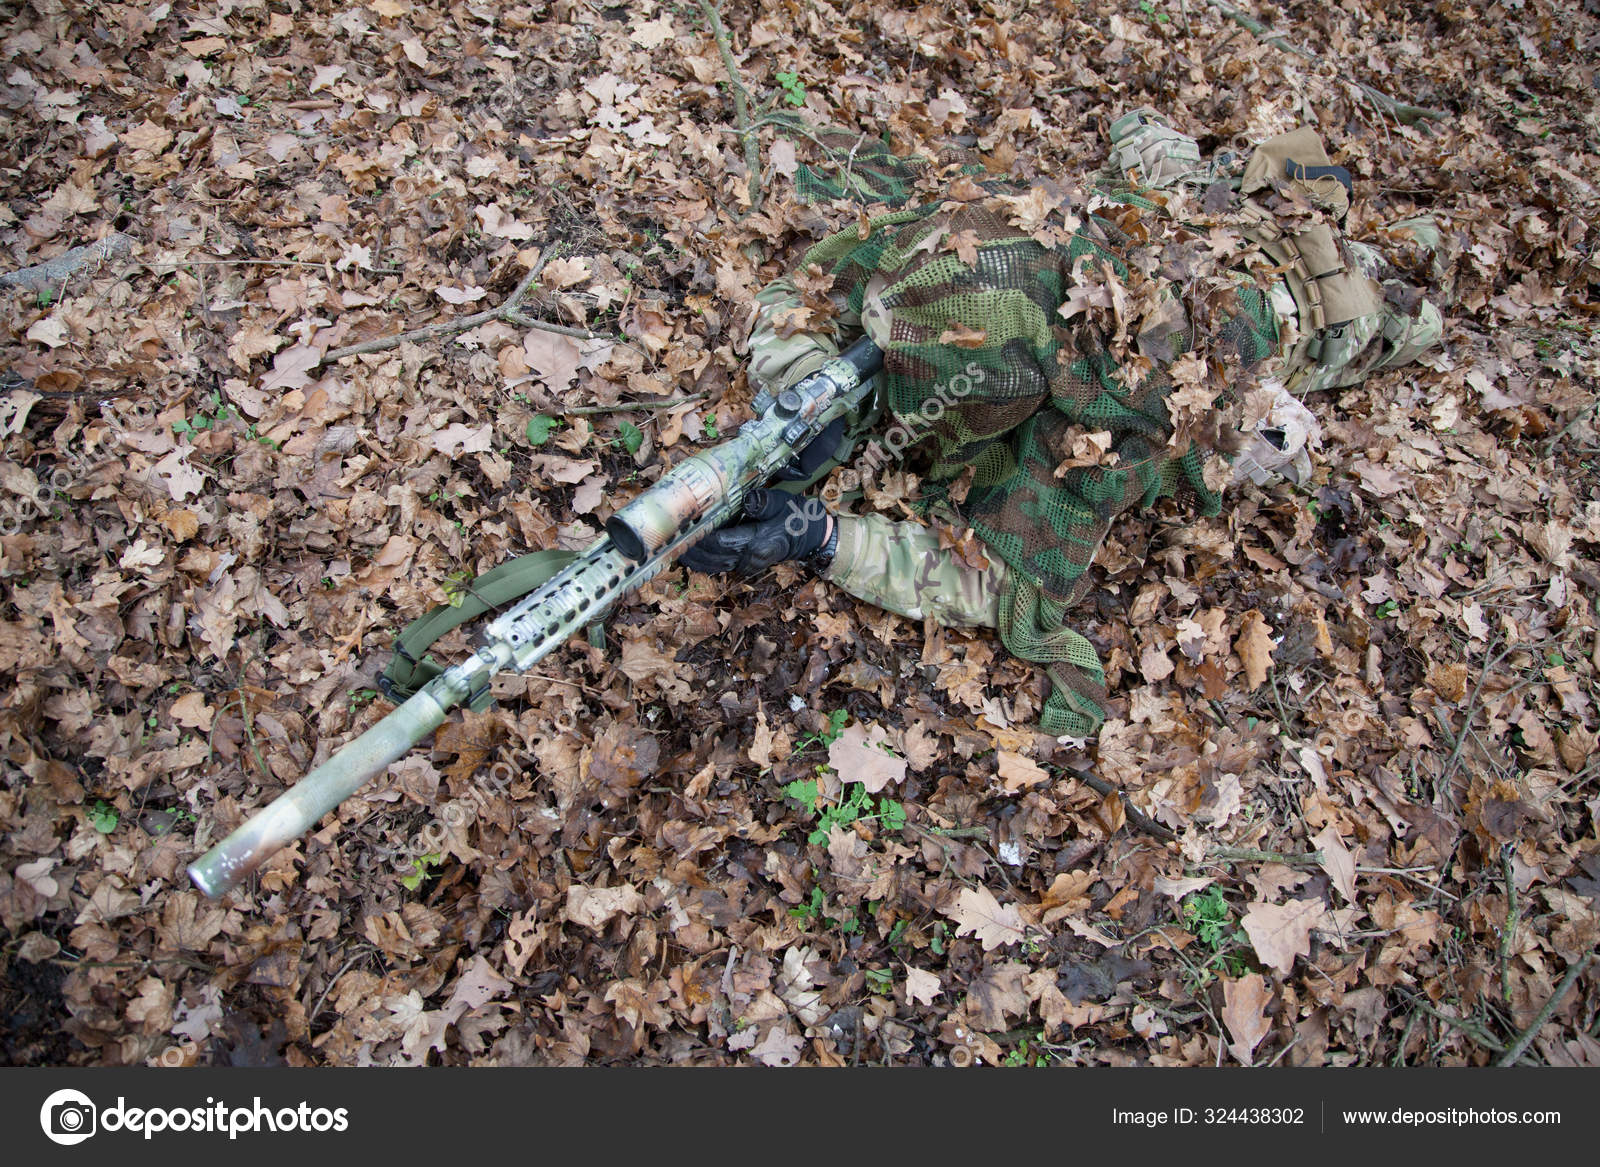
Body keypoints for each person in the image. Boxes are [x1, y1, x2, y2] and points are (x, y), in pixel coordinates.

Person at [681, 110, 1444, 738]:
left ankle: (1398, 241)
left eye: (912, 361)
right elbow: (800, 297)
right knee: (1149, 136)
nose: (888, 351)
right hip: (1196, 214)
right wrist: (807, 384)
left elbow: (993, 580)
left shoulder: (1105, 427)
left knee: (1403, 311)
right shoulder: (962, 241)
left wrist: (818, 538)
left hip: (1298, 323)